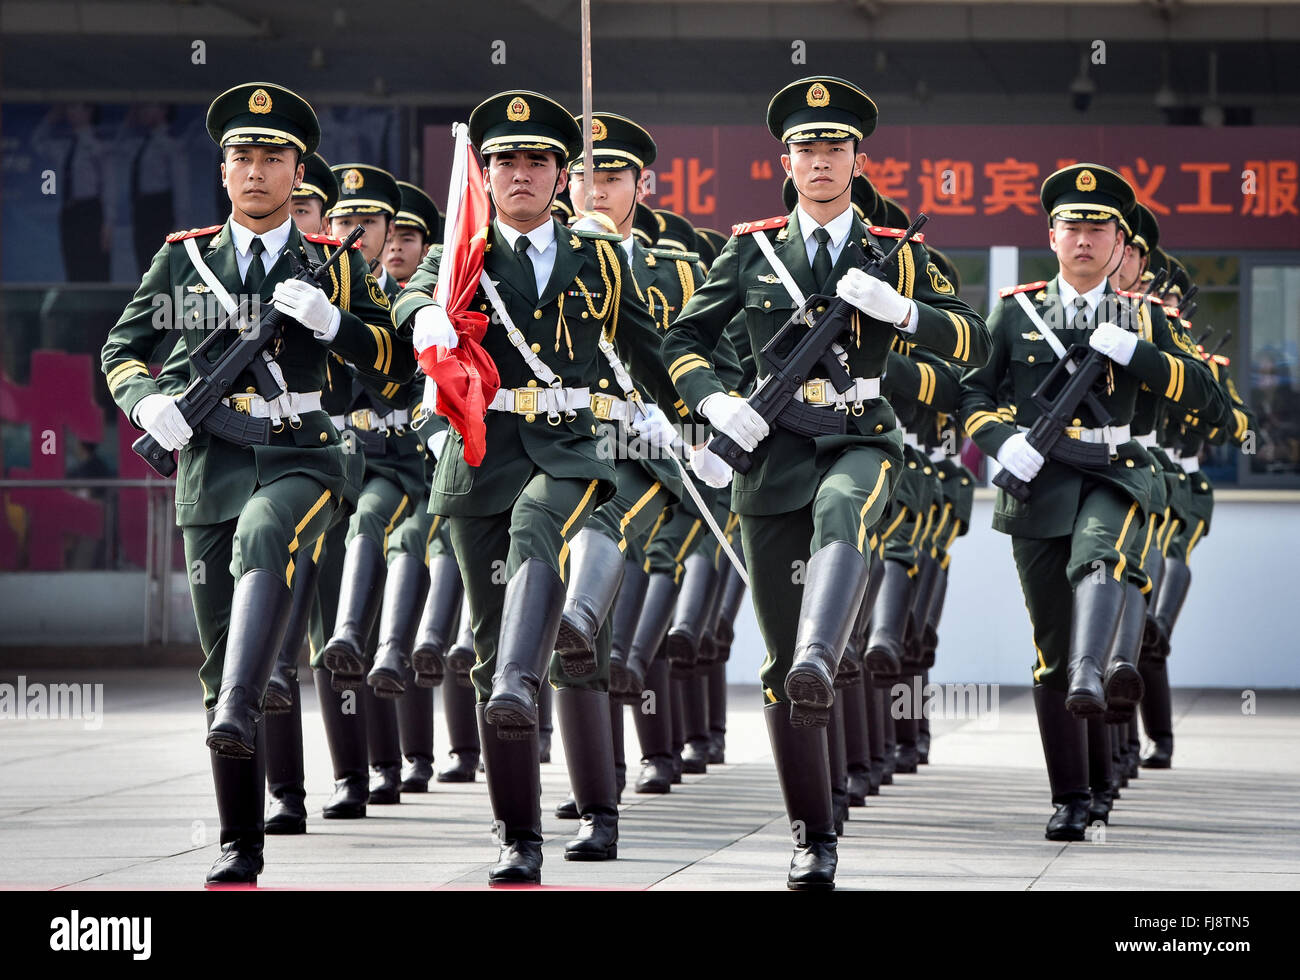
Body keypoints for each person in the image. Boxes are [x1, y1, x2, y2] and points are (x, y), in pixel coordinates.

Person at [662, 75, 989, 890]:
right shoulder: (749, 248)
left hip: (860, 437)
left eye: (833, 146)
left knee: (846, 507)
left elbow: (973, 345)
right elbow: (682, 339)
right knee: (780, 672)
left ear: (856, 158)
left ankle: (822, 651)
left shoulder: (898, 253)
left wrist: (902, 311)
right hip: (770, 453)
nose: (819, 159)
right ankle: (814, 833)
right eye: (806, 147)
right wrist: (716, 402)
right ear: (787, 159)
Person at [100, 82, 407, 885]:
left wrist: (337, 324)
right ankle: (241, 840)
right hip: (208, 462)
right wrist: (151, 401)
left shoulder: (328, 263)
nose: (256, 170)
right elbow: (123, 350)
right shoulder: (184, 257)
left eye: (273, 157)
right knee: (215, 657)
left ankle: (246, 703)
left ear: (298, 169)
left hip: (301, 457)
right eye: (242, 156)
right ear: (224, 169)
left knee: (268, 532)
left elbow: (396, 367)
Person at [392, 90, 681, 885]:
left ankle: (599, 808)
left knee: (540, 539)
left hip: (572, 451)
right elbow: (414, 293)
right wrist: (423, 318)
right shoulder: (464, 251)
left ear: (561, 176)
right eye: (504, 162)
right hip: (481, 457)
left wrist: (697, 416)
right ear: (485, 174)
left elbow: (649, 349)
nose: (519, 174)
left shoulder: (599, 257)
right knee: (493, 652)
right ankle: (517, 833)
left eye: (536, 161)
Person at [958, 164, 1218, 842]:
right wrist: (999, 440)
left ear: (1119, 240)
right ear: (1051, 235)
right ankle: (1076, 793)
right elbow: (972, 394)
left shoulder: (1145, 318)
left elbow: (1205, 398)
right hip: (1038, 482)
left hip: (1116, 473)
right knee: (1049, 644)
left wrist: (1140, 354)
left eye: (1097, 226)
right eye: (1071, 224)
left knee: (1100, 559)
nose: (1083, 237)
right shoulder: (1015, 312)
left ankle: (1090, 669)